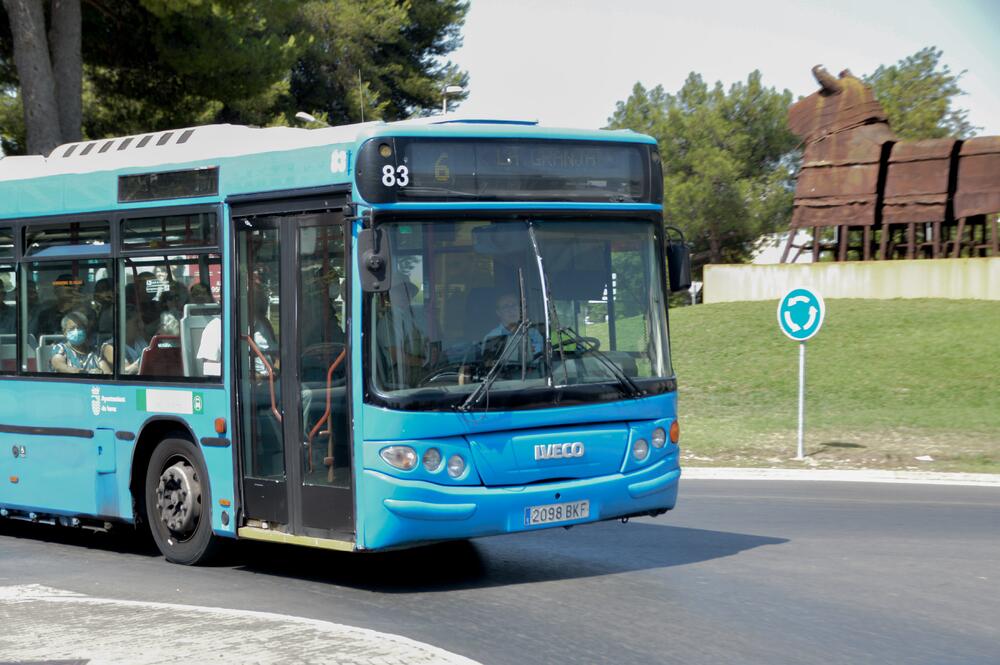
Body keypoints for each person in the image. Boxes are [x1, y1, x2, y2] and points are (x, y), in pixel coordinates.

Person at [482, 292, 544, 358]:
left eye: (514, 305)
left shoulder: (533, 333)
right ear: (498, 313)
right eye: (506, 307)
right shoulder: (492, 337)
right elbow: (489, 361)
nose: (511, 310)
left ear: (520, 310)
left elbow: (540, 354)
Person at [102, 306, 147, 374]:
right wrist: (144, 361)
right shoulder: (110, 346)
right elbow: (126, 372)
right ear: (123, 324)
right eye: (136, 322)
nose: (141, 325)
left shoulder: (140, 341)